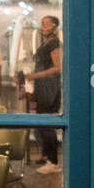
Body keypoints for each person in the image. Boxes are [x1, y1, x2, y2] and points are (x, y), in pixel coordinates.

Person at [27, 15, 63, 174]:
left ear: (55, 26)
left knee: (47, 125)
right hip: (43, 88)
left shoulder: (54, 43)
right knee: (41, 124)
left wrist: (35, 76)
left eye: (47, 24)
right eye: (42, 23)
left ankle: (53, 162)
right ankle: (46, 156)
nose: (44, 26)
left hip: (50, 88)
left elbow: (58, 68)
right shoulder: (46, 42)